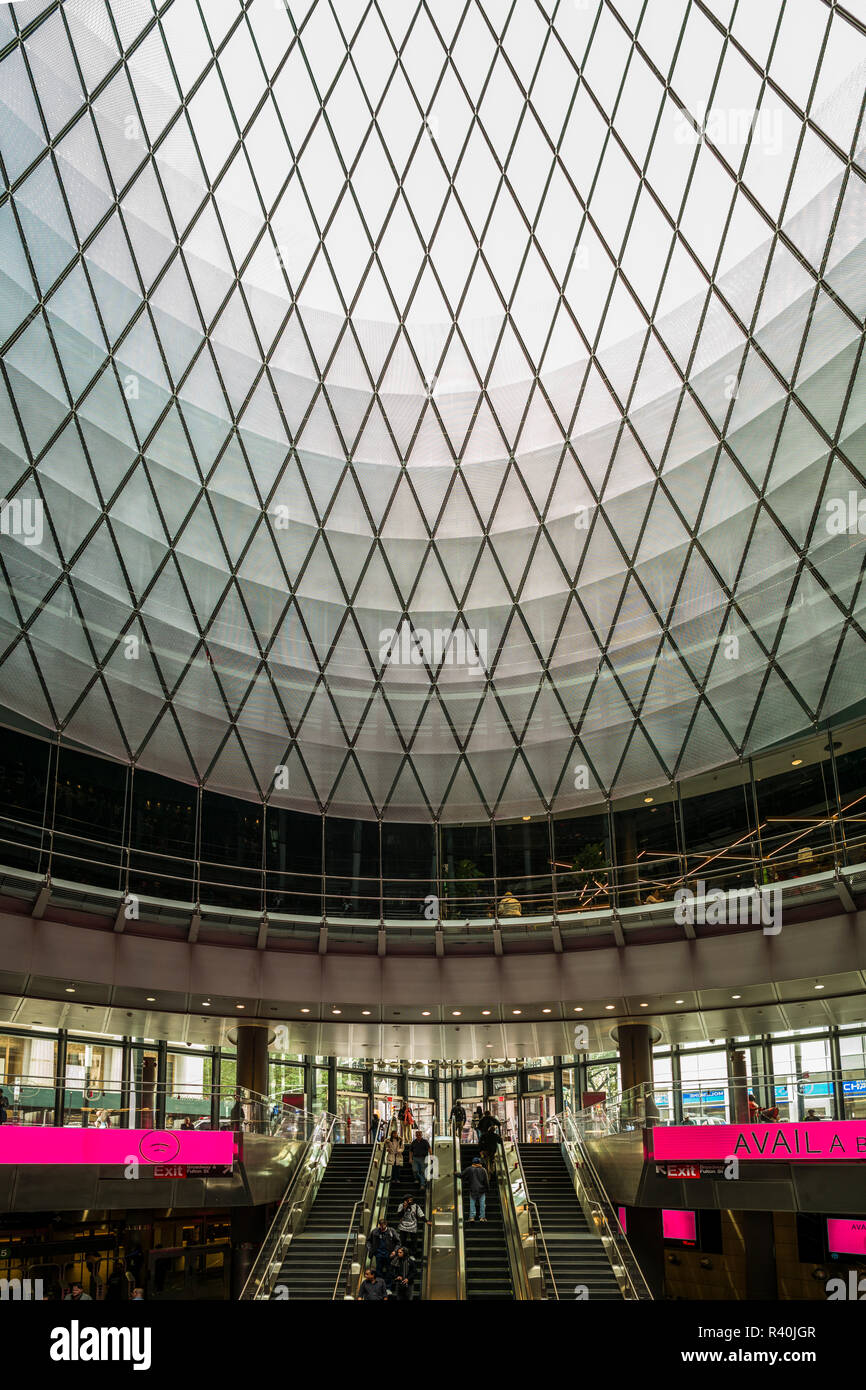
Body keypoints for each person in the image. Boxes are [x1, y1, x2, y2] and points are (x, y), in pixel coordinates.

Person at [462, 1156, 489, 1222]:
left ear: (473, 1163)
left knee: (472, 1203)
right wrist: (487, 1189)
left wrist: (455, 1173)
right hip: (481, 1190)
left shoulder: (469, 1169)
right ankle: (482, 1217)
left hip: (473, 1189)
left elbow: (461, 1175)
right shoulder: (483, 1169)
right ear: (479, 1163)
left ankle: (471, 1217)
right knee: (482, 1204)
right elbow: (486, 1181)